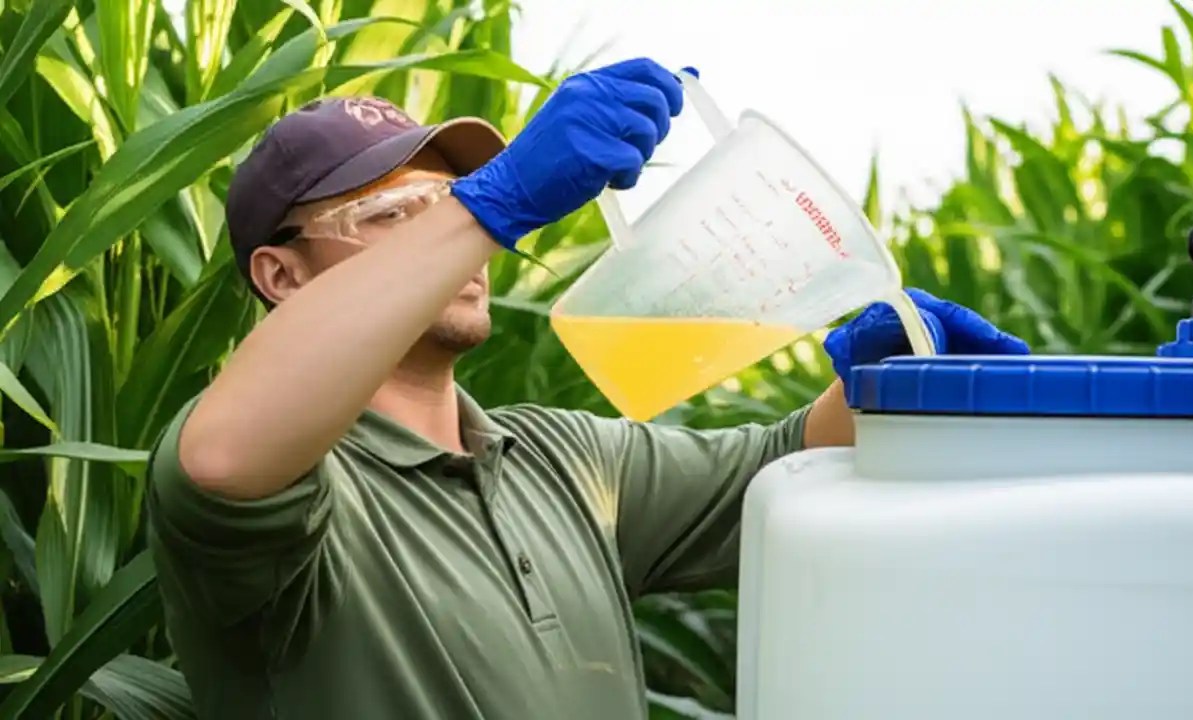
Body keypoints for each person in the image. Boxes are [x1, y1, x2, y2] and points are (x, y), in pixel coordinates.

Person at [144, 57, 1029, 720]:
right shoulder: (292, 499)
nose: (458, 239)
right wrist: (489, 204)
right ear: (282, 276)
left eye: (451, 200)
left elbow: (786, 466)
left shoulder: (564, 459)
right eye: (392, 216)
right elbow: (224, 459)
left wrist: (889, 381)